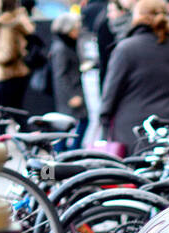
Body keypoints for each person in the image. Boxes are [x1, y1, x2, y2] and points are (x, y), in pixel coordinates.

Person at [100, 0, 169, 149]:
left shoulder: (126, 48)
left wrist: (104, 119)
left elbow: (112, 90)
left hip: (134, 128)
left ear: (138, 17)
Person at [0, 0, 35, 115]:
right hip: (16, 74)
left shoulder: (7, 24)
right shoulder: (15, 20)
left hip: (8, 74)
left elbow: (6, 55)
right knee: (16, 113)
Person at [50, 12, 88, 149]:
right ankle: (66, 153)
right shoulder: (61, 48)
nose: (77, 31)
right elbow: (60, 75)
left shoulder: (66, 44)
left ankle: (68, 152)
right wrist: (71, 96)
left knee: (73, 125)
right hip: (70, 93)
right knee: (71, 125)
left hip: (73, 90)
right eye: (75, 28)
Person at [95, 0, 135, 88]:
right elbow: (103, 60)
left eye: (111, 11)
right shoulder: (105, 28)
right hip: (112, 76)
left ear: (122, 11)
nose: (108, 15)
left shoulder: (134, 26)